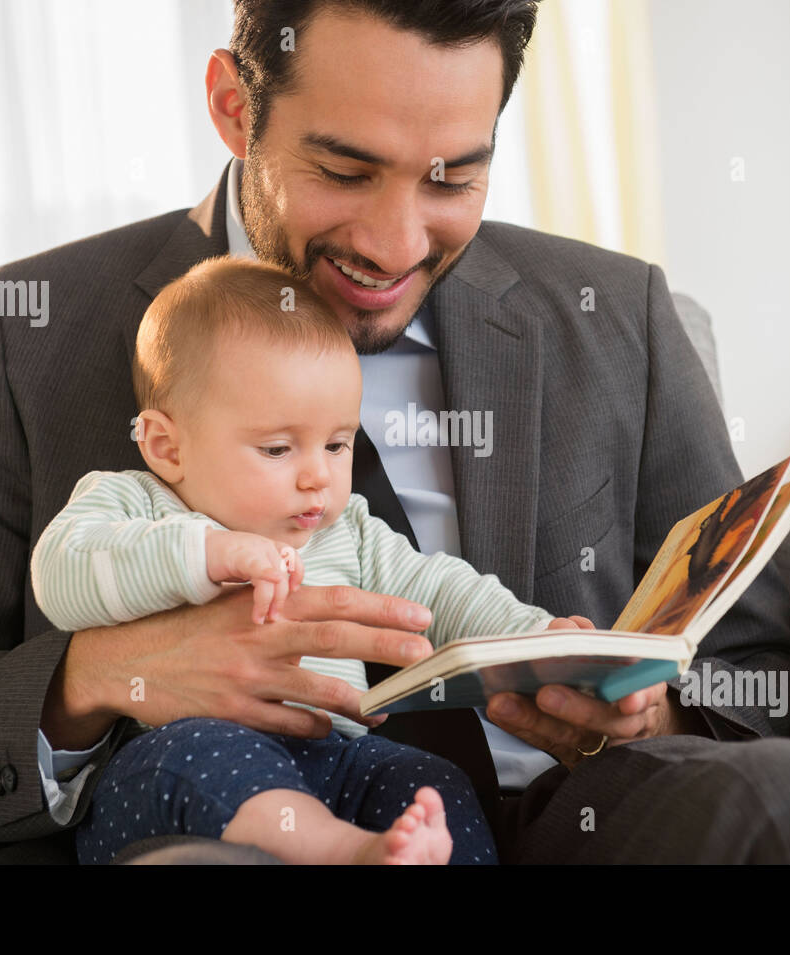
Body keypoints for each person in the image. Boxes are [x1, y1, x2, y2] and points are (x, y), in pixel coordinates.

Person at [0, 0, 790, 865]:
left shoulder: (615, 314)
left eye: (453, 177)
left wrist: (643, 704)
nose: (395, 244)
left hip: (564, 825)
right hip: (210, 819)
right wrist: (108, 675)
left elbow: (761, 674)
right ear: (236, 106)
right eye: (344, 168)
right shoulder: (38, 332)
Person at [36, 255, 590, 864]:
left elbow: (438, 591)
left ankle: (399, 852)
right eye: (278, 448)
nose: (317, 477)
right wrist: (208, 553)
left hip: (338, 755)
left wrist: (533, 637)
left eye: (337, 443)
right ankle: (341, 853)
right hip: (175, 759)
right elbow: (61, 573)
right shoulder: (133, 501)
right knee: (205, 761)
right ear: (167, 446)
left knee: (431, 783)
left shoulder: (346, 530)